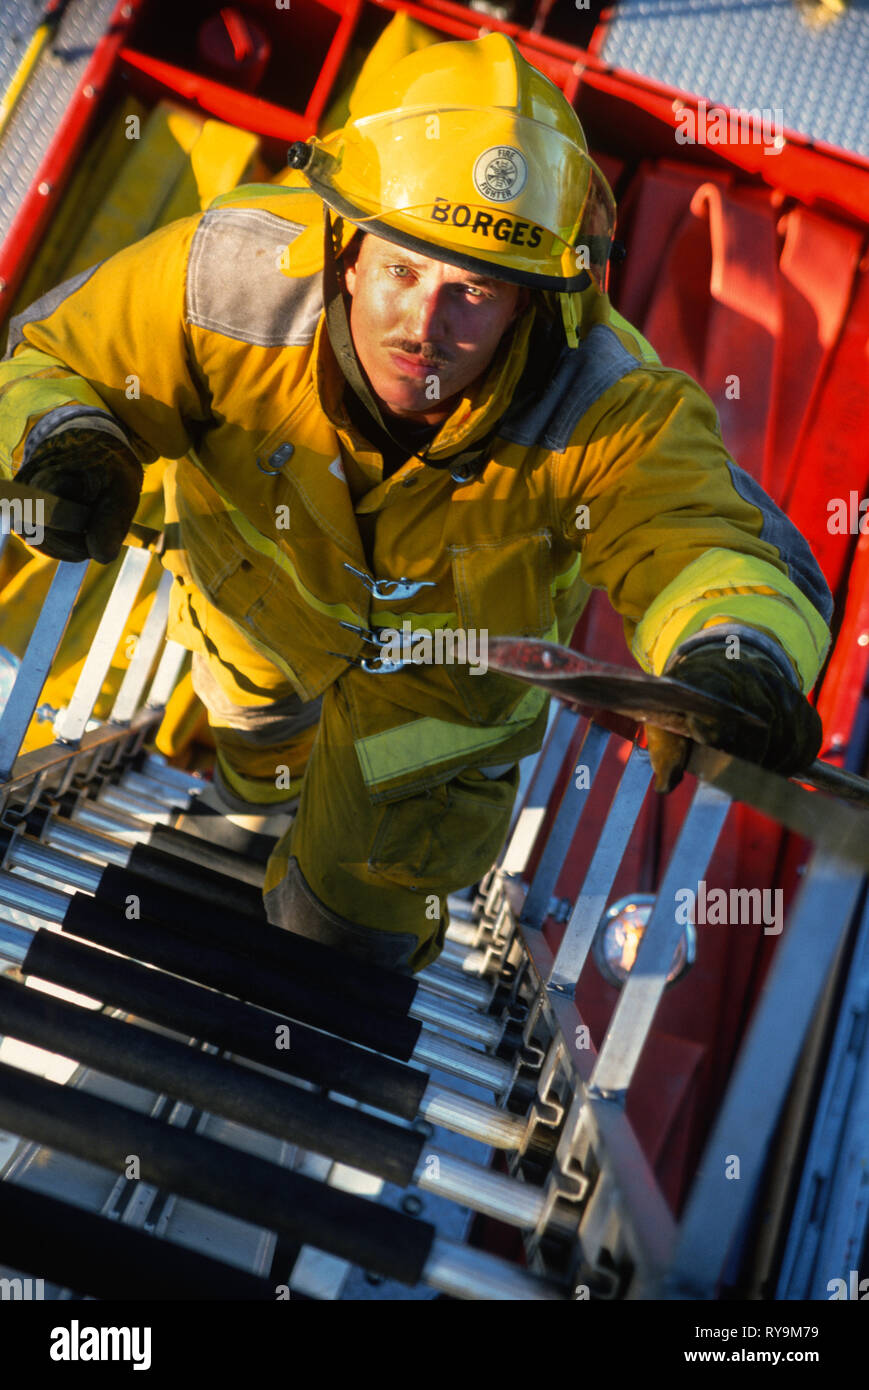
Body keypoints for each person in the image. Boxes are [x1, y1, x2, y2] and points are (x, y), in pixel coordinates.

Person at [0, 34, 830, 973]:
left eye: (473, 289)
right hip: (252, 631)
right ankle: (253, 819)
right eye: (401, 269)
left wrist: (732, 654)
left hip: (427, 727)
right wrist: (75, 446)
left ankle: (315, 999)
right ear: (343, 248)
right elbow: (60, 363)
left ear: (530, 304)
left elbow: (704, 540)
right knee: (252, 777)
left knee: (341, 949)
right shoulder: (223, 280)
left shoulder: (604, 404)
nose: (424, 326)